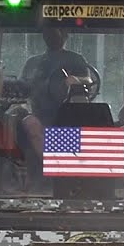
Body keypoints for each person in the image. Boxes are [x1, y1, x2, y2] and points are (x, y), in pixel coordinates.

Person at [19, 22, 92, 158]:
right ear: (44, 35)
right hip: (38, 115)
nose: (53, 35)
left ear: (66, 35)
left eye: (58, 31)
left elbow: (89, 80)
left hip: (71, 116)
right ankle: (42, 164)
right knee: (28, 122)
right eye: (49, 32)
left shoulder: (76, 59)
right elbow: (21, 89)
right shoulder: (33, 63)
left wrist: (76, 80)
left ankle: (53, 163)